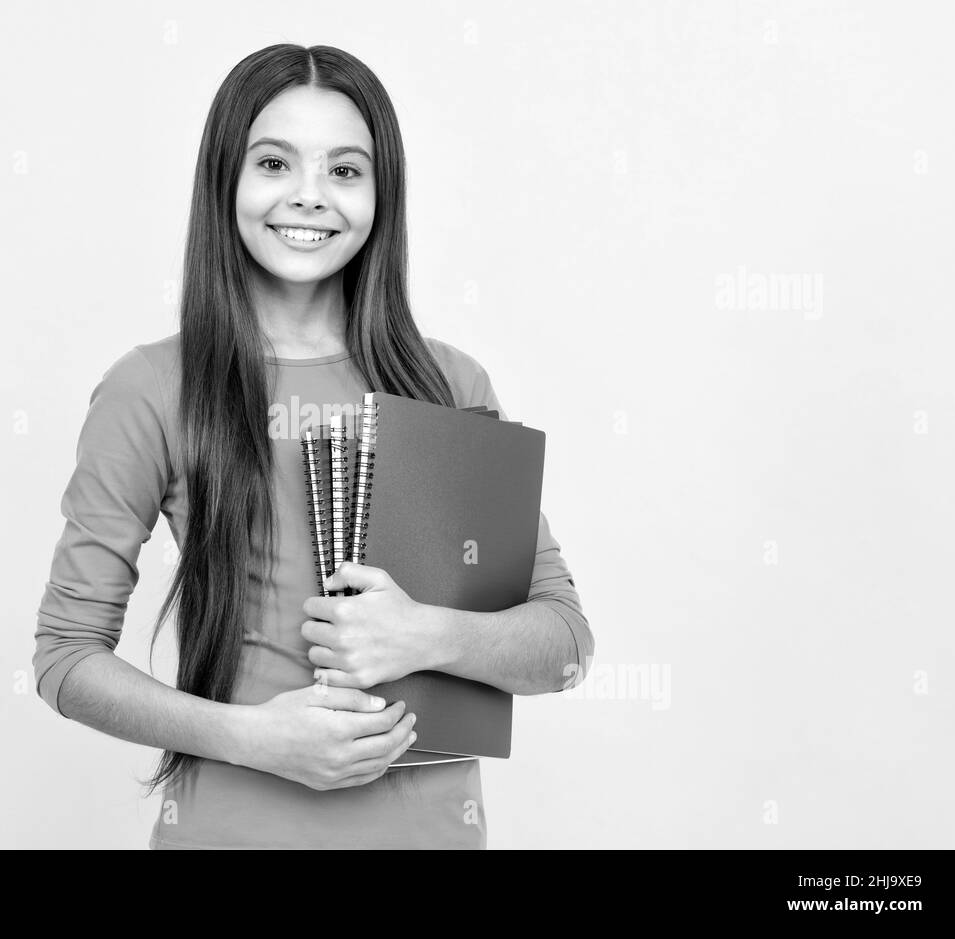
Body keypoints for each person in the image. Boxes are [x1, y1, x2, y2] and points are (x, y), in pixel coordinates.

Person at [32, 43, 593, 849]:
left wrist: (430, 633)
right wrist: (251, 738)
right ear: (226, 178)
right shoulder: (154, 386)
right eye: (273, 162)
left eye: (345, 170)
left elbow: (564, 646)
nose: (308, 196)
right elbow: (64, 657)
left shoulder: (448, 384)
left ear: (380, 194)